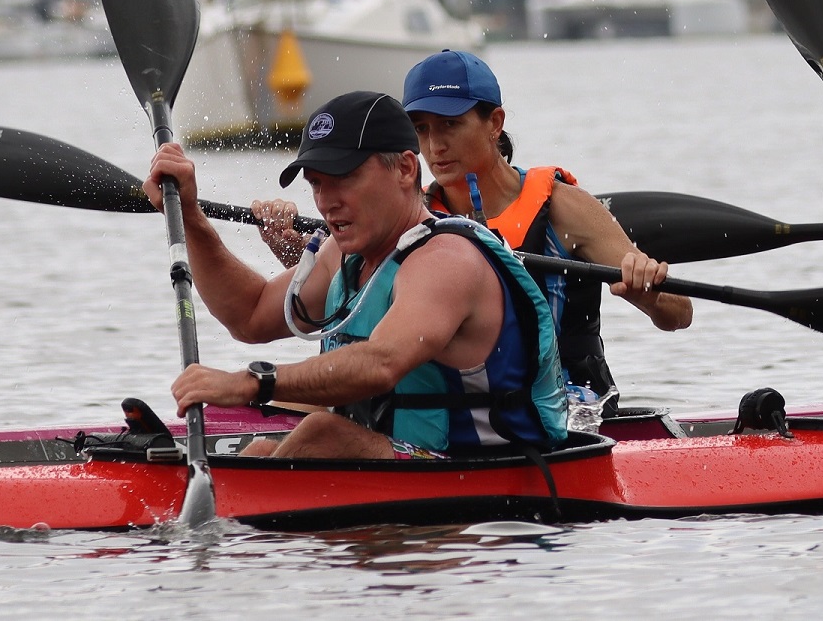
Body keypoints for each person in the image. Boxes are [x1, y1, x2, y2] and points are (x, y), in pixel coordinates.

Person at [243, 50, 691, 402]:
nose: (434, 146)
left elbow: (679, 315)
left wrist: (648, 294)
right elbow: (351, 293)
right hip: (459, 410)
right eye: (420, 128)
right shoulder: (412, 212)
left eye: (450, 125)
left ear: (494, 122)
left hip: (570, 408)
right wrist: (294, 251)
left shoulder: (563, 208)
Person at [150, 90, 572, 459]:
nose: (326, 201)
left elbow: (381, 363)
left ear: (405, 169)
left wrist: (251, 383)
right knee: (265, 447)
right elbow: (250, 314)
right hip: (400, 463)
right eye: (316, 183)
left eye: (344, 178)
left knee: (321, 434)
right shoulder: (342, 256)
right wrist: (190, 215)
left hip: (487, 473)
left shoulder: (445, 259)